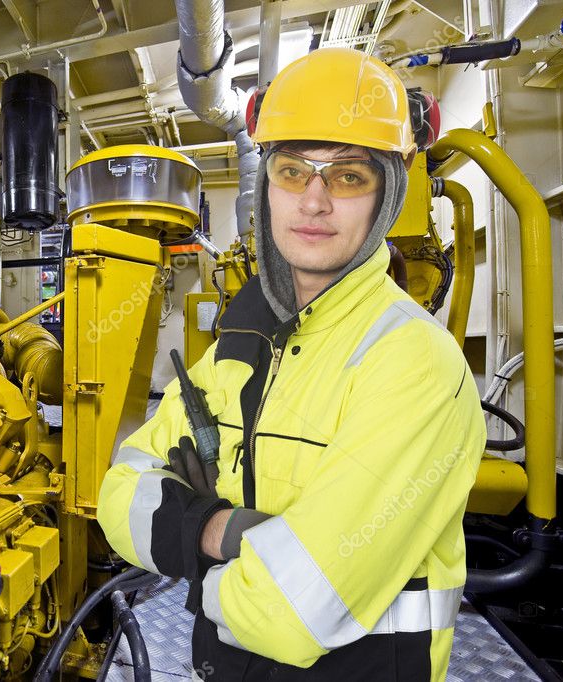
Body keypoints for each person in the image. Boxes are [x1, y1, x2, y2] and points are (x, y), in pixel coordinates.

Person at [96, 47, 485, 681]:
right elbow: (119, 497)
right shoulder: (237, 350)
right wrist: (217, 532)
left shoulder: (415, 365)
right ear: (266, 185)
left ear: (388, 195)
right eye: (293, 171)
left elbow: (290, 612)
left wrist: (200, 577)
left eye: (350, 176)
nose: (314, 202)